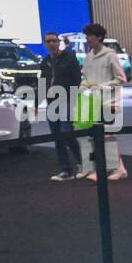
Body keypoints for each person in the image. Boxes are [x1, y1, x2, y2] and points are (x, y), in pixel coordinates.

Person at [79, 23, 128, 181]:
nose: (87, 39)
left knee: (108, 136)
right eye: (86, 36)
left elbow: (121, 78)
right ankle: (101, 169)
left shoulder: (110, 55)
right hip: (92, 102)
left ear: (99, 37)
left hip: (109, 101)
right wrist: (83, 87)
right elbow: (85, 77)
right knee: (94, 137)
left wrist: (101, 86)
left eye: (90, 35)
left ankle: (116, 169)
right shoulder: (88, 56)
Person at [39, 31, 84, 181]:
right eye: (48, 41)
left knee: (67, 133)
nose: (51, 44)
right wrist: (37, 103)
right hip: (52, 102)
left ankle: (82, 163)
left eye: (53, 41)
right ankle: (65, 170)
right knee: (57, 136)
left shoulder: (69, 57)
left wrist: (73, 97)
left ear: (59, 42)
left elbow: (77, 78)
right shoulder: (45, 62)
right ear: (45, 44)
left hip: (66, 100)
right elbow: (43, 83)